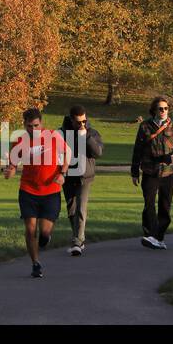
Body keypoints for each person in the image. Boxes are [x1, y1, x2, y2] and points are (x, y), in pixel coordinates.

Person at [5, 107, 70, 279]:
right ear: (24, 125)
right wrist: (10, 170)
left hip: (51, 190)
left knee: (45, 232)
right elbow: (13, 163)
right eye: (29, 126)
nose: (33, 130)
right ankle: (35, 264)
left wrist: (62, 173)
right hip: (28, 190)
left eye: (36, 125)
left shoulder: (53, 136)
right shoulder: (19, 141)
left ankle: (46, 238)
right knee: (30, 228)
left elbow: (67, 153)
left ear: (41, 123)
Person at [130, 97, 173, 250]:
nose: (163, 111)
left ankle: (157, 237)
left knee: (165, 206)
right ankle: (152, 235)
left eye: (166, 108)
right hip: (150, 171)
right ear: (154, 110)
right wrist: (134, 171)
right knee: (149, 204)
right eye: (160, 108)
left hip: (168, 172)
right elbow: (137, 149)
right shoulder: (145, 126)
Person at [59, 105, 104, 256]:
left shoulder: (92, 132)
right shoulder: (62, 133)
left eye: (84, 121)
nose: (82, 124)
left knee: (81, 208)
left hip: (85, 176)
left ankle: (77, 241)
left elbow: (98, 152)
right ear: (71, 120)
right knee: (71, 209)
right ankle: (78, 238)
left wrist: (86, 136)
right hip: (68, 176)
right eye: (78, 122)